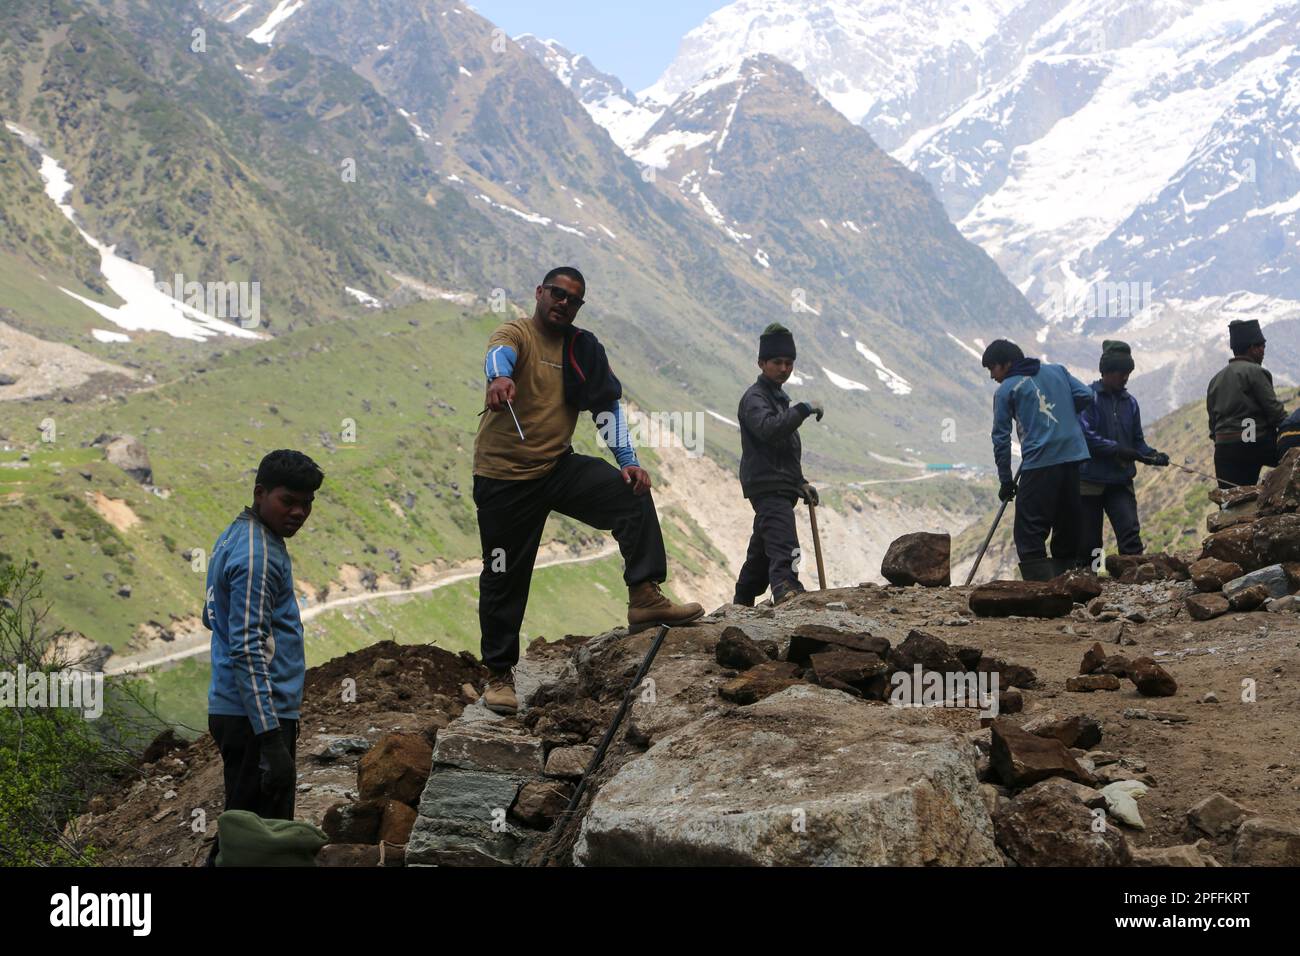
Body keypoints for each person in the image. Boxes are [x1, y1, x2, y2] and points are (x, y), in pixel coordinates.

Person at [473, 267, 703, 715]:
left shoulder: (582, 349)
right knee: (504, 575)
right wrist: (499, 379)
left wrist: (630, 462)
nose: (563, 302)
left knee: (629, 493)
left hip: (554, 466)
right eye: (557, 293)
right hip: (503, 478)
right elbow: (498, 355)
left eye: (573, 299)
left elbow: (606, 408)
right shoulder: (515, 333)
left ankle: (644, 596)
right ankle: (499, 676)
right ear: (540, 293)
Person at [204, 449, 323, 862]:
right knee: (259, 847)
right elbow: (248, 650)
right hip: (257, 718)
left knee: (244, 831)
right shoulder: (258, 555)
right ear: (260, 493)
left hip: (238, 711)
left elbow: (211, 615)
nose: (299, 512)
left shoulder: (237, 535)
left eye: (306, 503)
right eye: (287, 501)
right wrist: (271, 741)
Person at [982, 339, 1093, 581]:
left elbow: (1001, 438)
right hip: (1072, 457)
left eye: (993, 368)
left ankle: (1040, 587)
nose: (992, 376)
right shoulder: (1058, 371)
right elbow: (1086, 395)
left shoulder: (1006, 390)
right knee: (1067, 521)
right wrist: (1067, 415)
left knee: (1029, 528)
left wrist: (1006, 481)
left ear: (1007, 364)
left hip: (1040, 463)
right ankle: (1068, 582)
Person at [733, 324, 824, 606]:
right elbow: (768, 430)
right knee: (783, 540)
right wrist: (803, 409)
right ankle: (786, 587)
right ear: (762, 363)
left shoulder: (776, 398)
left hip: (777, 484)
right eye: (777, 362)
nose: (784, 368)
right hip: (767, 485)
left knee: (762, 548)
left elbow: (784, 450)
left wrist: (799, 482)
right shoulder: (756, 398)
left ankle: (743, 598)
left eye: (789, 363)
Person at [1077, 341, 1169, 567]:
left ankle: (1135, 581)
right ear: (1106, 372)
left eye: (1128, 373)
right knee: (1089, 541)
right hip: (1090, 481)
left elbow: (1137, 442)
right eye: (1121, 373)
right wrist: (1118, 449)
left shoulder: (1131, 403)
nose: (1125, 378)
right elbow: (1086, 436)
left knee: (1129, 533)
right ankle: (1092, 585)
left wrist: (1152, 456)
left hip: (1120, 480)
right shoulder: (1088, 398)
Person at [1206, 319, 1287, 488]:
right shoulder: (1256, 372)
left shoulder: (1215, 380)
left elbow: (1213, 424)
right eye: (1261, 346)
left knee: (1229, 500)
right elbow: (1275, 413)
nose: (1263, 351)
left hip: (1223, 449)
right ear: (1252, 348)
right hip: (1253, 442)